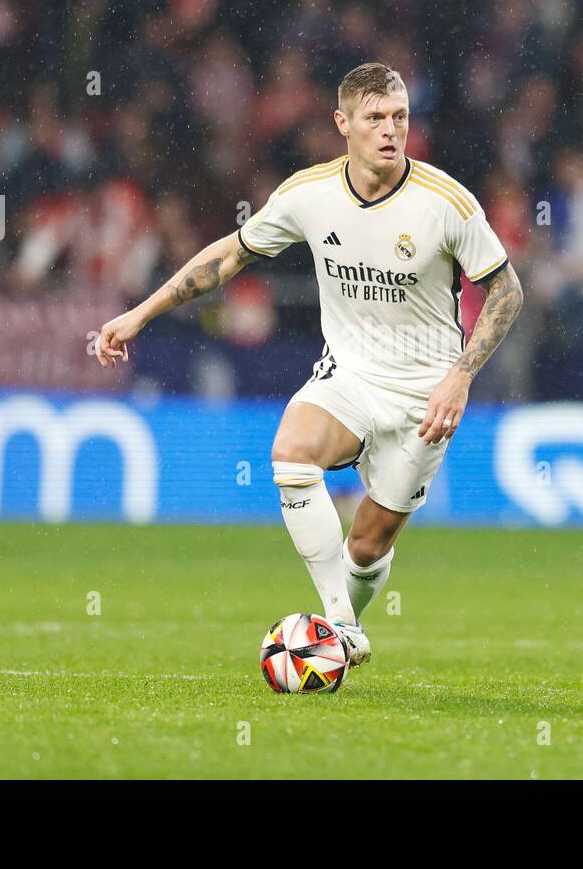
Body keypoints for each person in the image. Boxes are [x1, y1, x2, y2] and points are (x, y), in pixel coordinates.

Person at [95, 62, 523, 667]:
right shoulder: (308, 194)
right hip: (348, 375)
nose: (389, 130)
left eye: (399, 117)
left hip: (425, 395)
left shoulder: (445, 202)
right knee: (291, 451)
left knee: (368, 547)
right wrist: (140, 314)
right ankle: (341, 630)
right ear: (342, 123)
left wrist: (460, 377)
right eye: (375, 118)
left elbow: (508, 291)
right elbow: (228, 258)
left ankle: (341, 622)